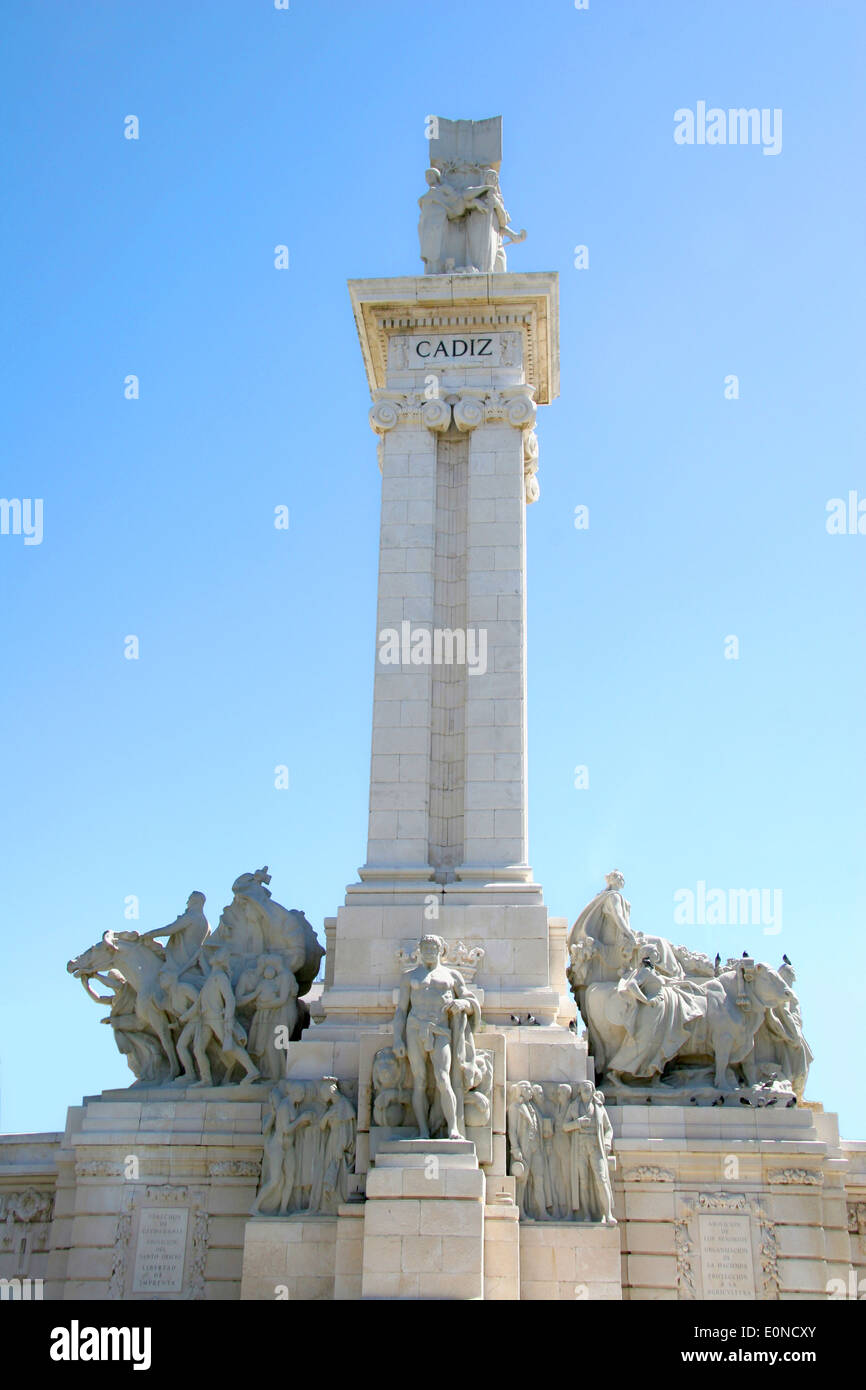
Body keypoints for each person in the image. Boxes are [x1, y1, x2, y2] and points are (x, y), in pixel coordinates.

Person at [393, 935, 481, 1140]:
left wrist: (463, 1005)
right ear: (419, 950)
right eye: (425, 947)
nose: (429, 951)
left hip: (440, 1030)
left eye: (433, 948)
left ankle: (453, 1128)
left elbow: (469, 999)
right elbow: (401, 1011)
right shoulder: (409, 976)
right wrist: (398, 1038)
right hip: (415, 1029)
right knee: (419, 1080)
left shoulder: (452, 975)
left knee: (443, 1078)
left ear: (441, 950)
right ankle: (423, 1130)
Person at [179, 946, 260, 1086]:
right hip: (205, 1019)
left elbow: (230, 999)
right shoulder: (212, 976)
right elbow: (200, 1002)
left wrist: (228, 1020)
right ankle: (206, 1079)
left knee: (231, 1045)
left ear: (220, 960)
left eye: (216, 953)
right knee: (198, 1049)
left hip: (216, 1018)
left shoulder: (220, 977)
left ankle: (252, 1070)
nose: (214, 954)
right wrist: (187, 1016)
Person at [562, 1081, 616, 1224]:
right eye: (584, 1089)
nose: (587, 1091)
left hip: (595, 1146)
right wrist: (577, 1123)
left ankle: (608, 1213)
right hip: (580, 1147)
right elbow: (565, 1126)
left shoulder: (598, 1108)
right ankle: (586, 1214)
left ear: (593, 1091)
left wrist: (607, 1142)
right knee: (583, 1182)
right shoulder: (574, 1107)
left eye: (589, 1089)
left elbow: (609, 1128)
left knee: (602, 1179)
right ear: (579, 1091)